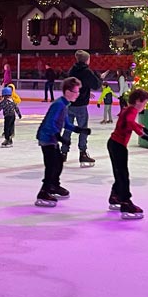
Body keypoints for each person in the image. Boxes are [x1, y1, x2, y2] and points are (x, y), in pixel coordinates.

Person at [34, 77, 89, 206]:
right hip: (46, 138)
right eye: (76, 91)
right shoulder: (58, 105)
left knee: (58, 162)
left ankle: (54, 185)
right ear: (68, 92)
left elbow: (65, 123)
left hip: (52, 138)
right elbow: (51, 123)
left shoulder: (64, 104)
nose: (78, 94)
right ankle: (44, 191)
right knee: (51, 165)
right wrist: (60, 138)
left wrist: (79, 129)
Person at [107, 88, 148, 219]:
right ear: (138, 101)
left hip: (113, 143)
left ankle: (115, 195)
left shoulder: (127, 109)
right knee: (123, 174)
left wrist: (143, 128)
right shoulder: (132, 110)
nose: (144, 106)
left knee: (119, 172)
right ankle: (125, 202)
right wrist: (142, 135)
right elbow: (129, 122)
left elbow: (130, 122)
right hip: (118, 146)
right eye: (144, 103)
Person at [63, 50, 103, 166]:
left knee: (67, 129)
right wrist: (98, 77)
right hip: (80, 105)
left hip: (70, 103)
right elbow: (96, 85)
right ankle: (83, 153)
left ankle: (63, 153)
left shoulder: (72, 70)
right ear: (86, 60)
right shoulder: (87, 72)